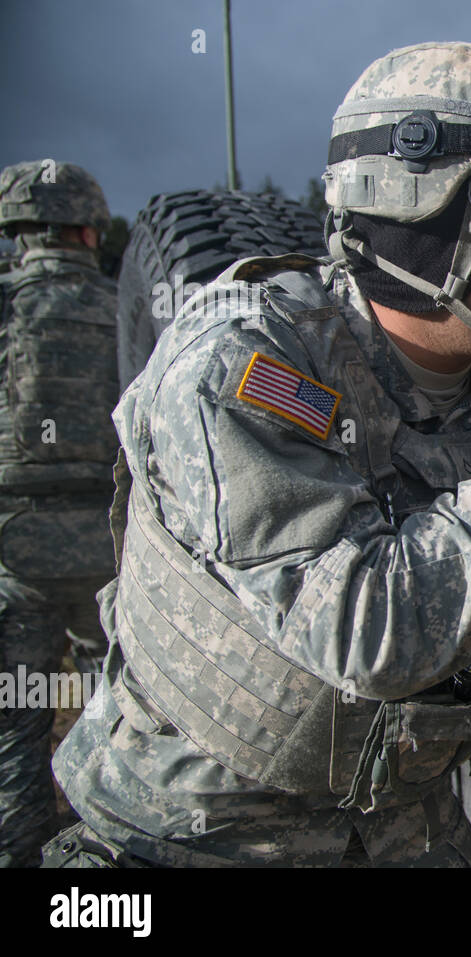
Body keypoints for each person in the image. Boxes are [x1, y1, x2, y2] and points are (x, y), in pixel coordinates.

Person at [45, 41, 471, 867]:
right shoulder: (247, 366)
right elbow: (364, 631)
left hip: (407, 830)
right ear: (425, 223)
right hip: (196, 840)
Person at [0, 161, 118, 867]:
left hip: (16, 553)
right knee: (120, 718)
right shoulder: (122, 307)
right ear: (86, 228)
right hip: (108, 547)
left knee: (17, 726)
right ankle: (107, 866)